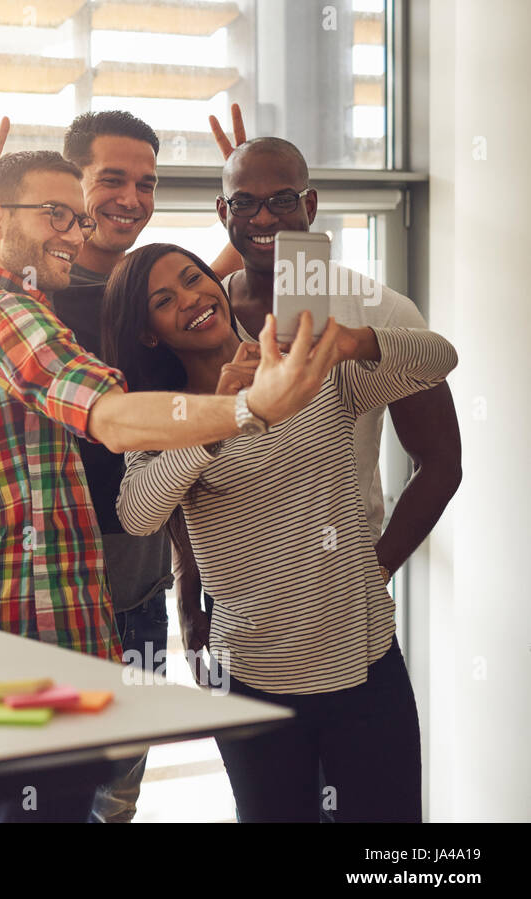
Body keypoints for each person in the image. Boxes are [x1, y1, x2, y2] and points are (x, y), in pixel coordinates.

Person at [0, 151, 341, 822]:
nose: (74, 232)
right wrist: (249, 408)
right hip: (32, 652)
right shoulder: (1, 314)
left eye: (76, 218)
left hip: (23, 644)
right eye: (54, 213)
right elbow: (110, 418)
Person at [0, 106, 243, 822]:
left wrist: (246, 217)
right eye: (108, 182)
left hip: (124, 596)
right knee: (39, 802)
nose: (127, 200)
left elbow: (197, 304)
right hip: (36, 605)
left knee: (107, 804)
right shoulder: (16, 301)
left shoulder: (130, 291)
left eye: (147, 183)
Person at [106, 243, 458, 822]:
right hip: (253, 681)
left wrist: (352, 342)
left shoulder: (314, 378)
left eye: (195, 279)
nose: (191, 297)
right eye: (164, 301)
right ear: (148, 334)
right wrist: (222, 412)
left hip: (366, 666)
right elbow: (138, 513)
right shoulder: (165, 416)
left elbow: (437, 358)